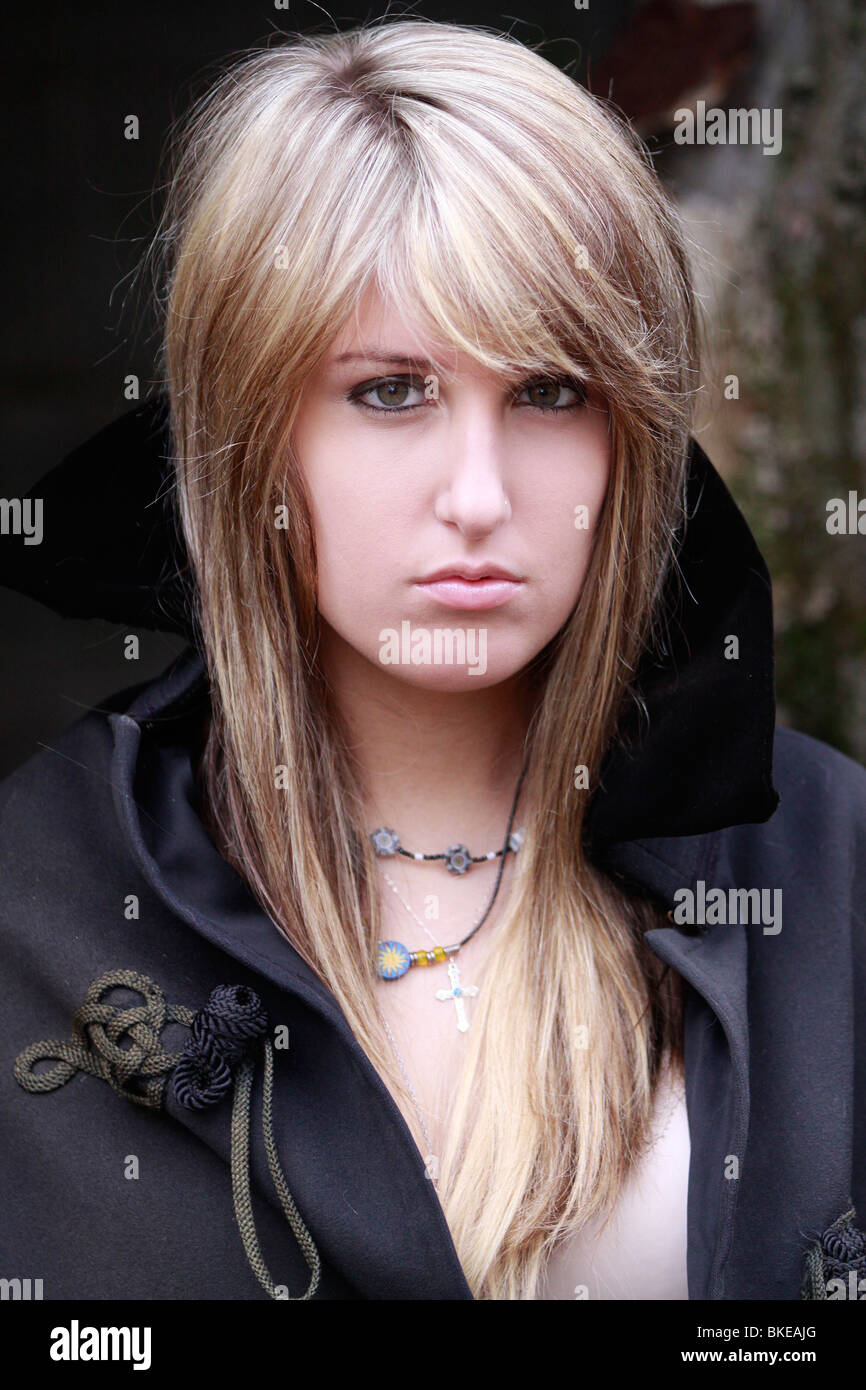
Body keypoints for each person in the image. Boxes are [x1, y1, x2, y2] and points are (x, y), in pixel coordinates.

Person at [2, 18, 865, 1303]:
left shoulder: (827, 864)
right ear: (250, 432)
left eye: (551, 391)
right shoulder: (44, 898)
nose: (477, 495)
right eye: (390, 390)